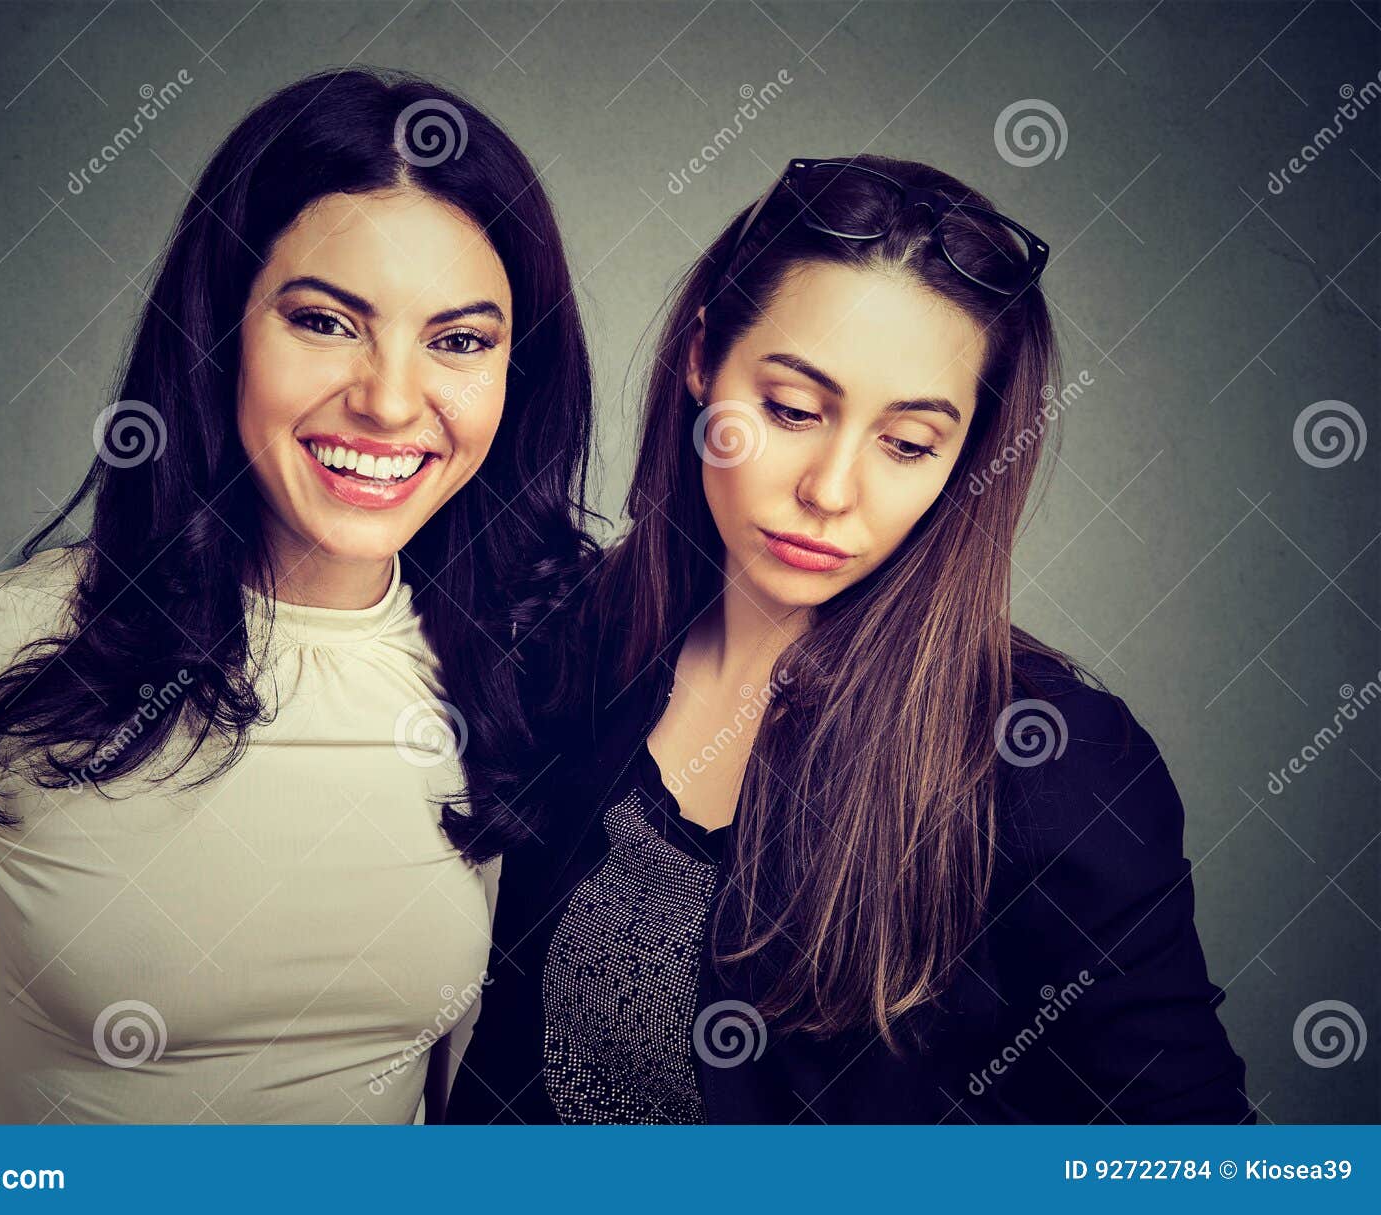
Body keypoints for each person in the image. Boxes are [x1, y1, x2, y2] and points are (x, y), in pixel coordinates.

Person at [0, 67, 595, 1124]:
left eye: (459, 341)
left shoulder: (509, 667)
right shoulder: (11, 650)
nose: (392, 401)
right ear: (222, 333)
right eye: (324, 321)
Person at [447, 155, 1253, 1124]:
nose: (831, 490)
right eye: (791, 410)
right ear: (703, 360)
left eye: (908, 444)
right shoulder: (574, 638)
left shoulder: (1057, 763)